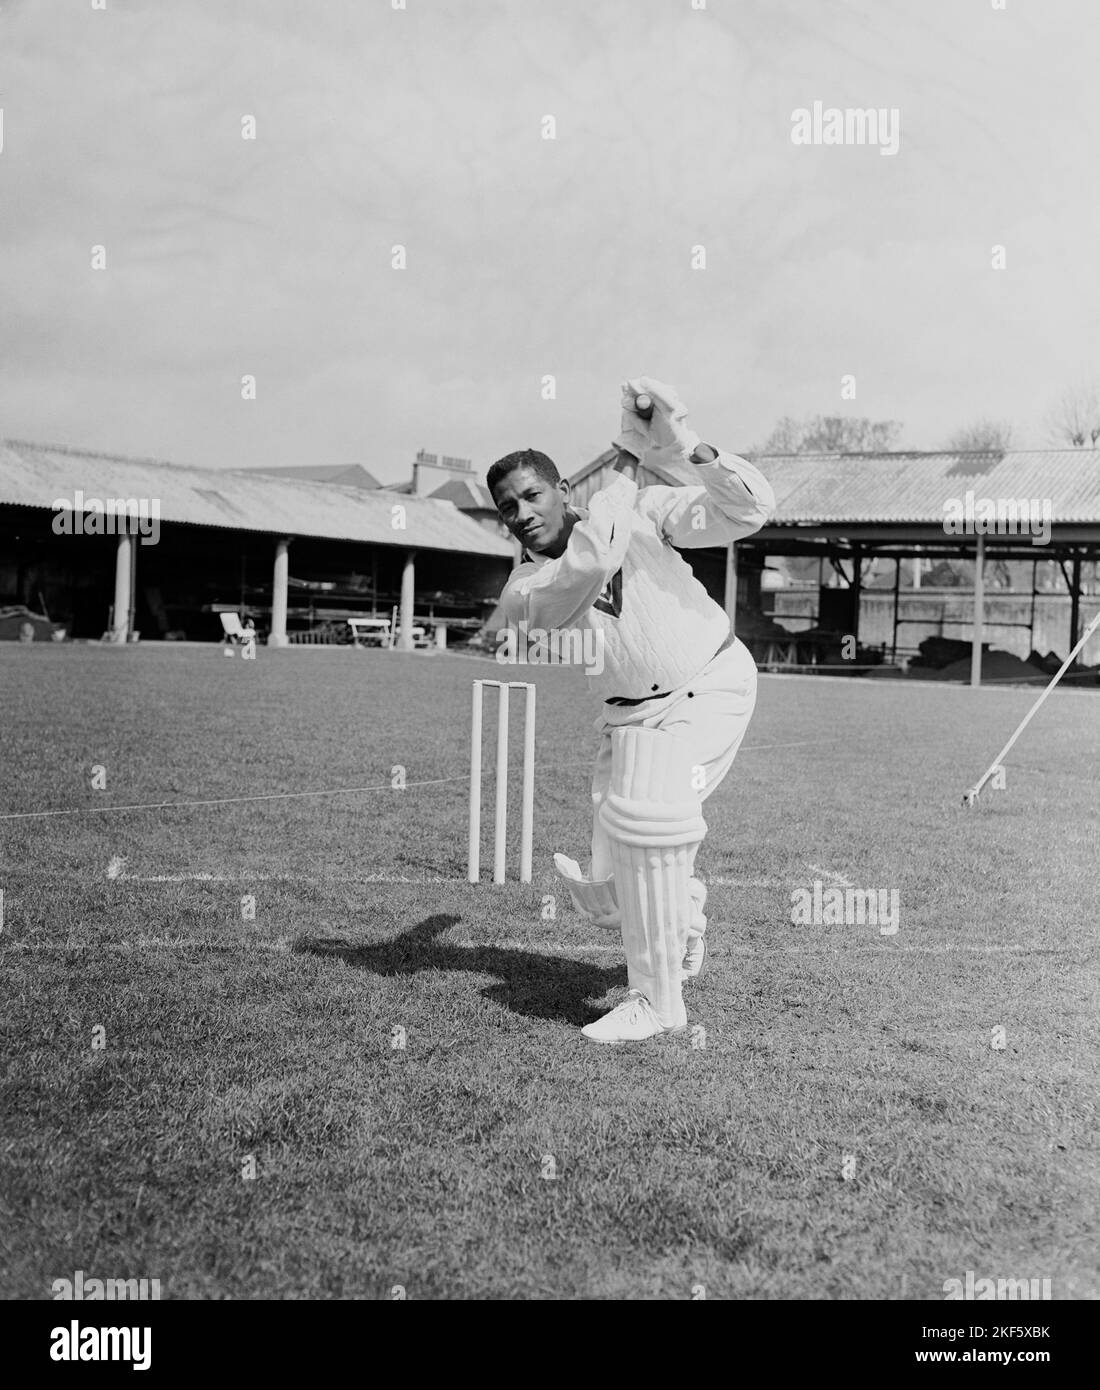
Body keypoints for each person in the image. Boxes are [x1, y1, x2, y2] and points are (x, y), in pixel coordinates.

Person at [487, 377, 776, 1044]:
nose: (523, 512)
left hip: (710, 682)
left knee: (652, 815)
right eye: (508, 507)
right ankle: (687, 920)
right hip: (626, 721)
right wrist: (623, 456)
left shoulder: (641, 506)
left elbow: (749, 510)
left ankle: (655, 1004)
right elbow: (593, 562)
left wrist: (685, 443)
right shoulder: (527, 588)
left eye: (533, 494)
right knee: (611, 886)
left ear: (562, 490)